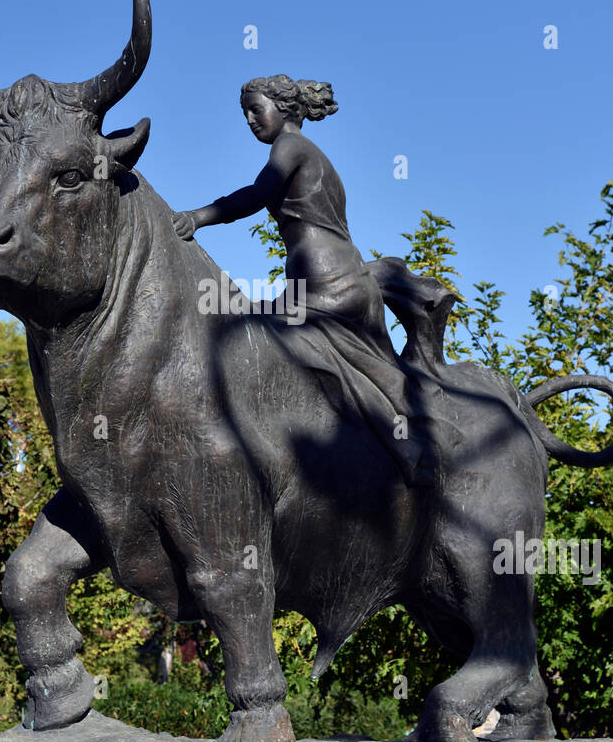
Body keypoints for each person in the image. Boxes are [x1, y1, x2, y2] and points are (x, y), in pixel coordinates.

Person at [173, 75, 453, 487]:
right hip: (339, 280)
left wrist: (197, 217)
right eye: (244, 114)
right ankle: (399, 442)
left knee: (254, 336)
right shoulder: (310, 153)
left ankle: (408, 448)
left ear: (284, 109)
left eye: (256, 109)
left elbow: (255, 195)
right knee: (352, 367)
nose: (250, 120)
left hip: (328, 284)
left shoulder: (291, 146)